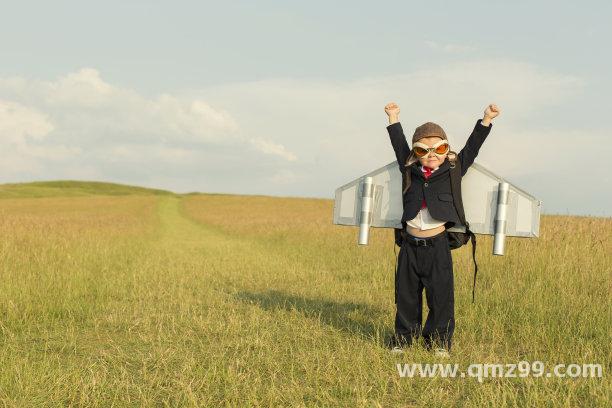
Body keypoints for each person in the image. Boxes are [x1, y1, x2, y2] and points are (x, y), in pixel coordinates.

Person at [383, 101, 501, 357]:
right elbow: (398, 145)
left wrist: (486, 120)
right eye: (424, 150)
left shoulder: (452, 169)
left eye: (439, 148)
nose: (432, 154)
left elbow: (472, 148)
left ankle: (438, 341)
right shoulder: (409, 169)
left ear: (447, 149)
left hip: (437, 245)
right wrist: (393, 118)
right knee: (406, 295)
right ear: (415, 153)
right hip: (410, 245)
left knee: (441, 296)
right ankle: (403, 339)